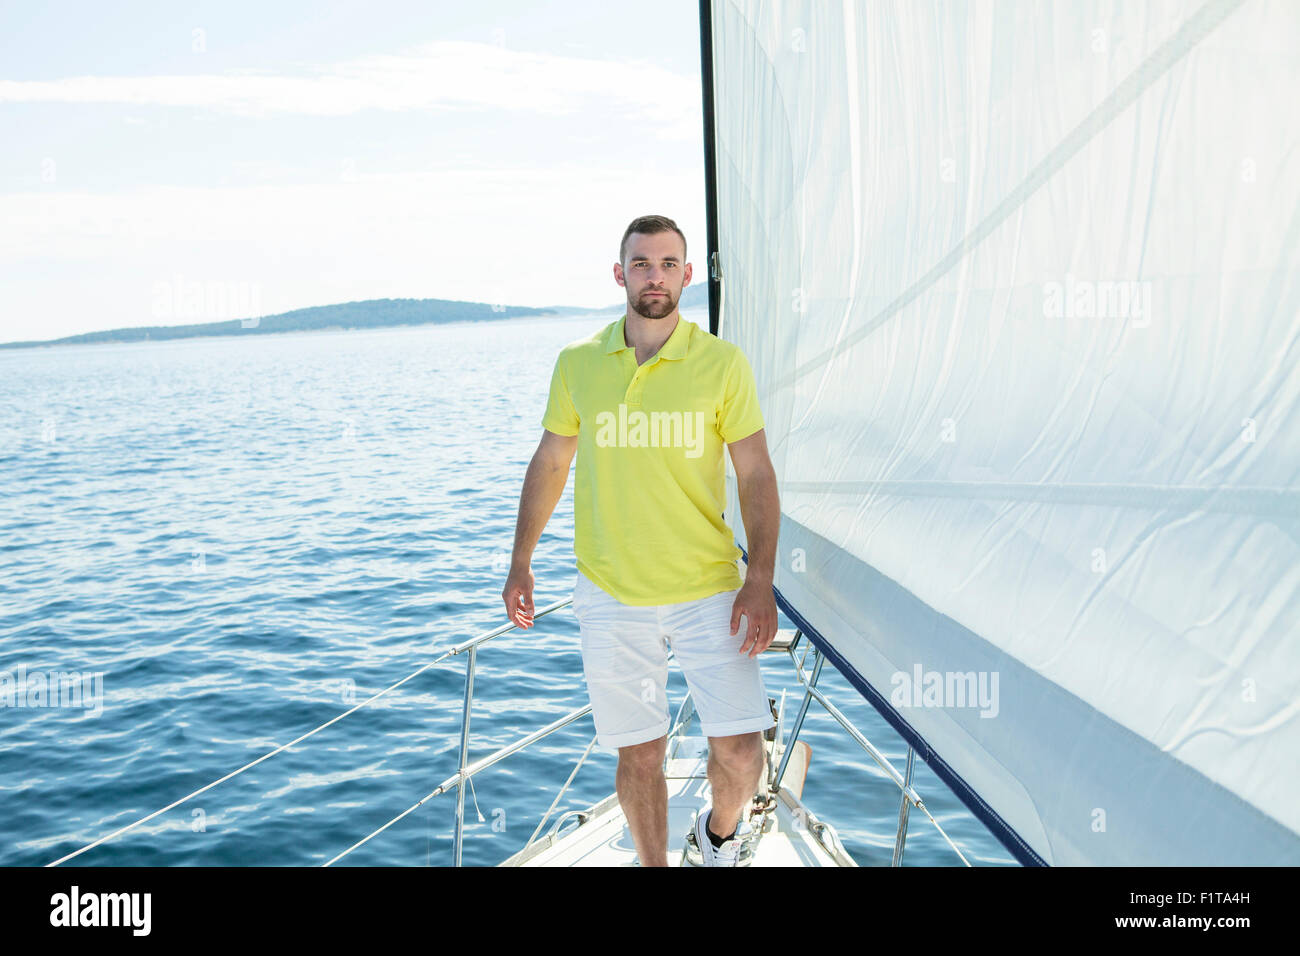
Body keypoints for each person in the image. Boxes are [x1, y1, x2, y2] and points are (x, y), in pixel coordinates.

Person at [502, 214, 781, 867]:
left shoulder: (721, 364)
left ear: (687, 275)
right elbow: (550, 462)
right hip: (609, 590)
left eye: (667, 264)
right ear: (620, 273)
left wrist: (760, 576)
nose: (654, 276)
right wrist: (520, 562)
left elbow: (757, 473)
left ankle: (717, 835)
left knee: (743, 753)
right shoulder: (578, 364)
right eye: (641, 263)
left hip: (711, 587)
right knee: (640, 753)